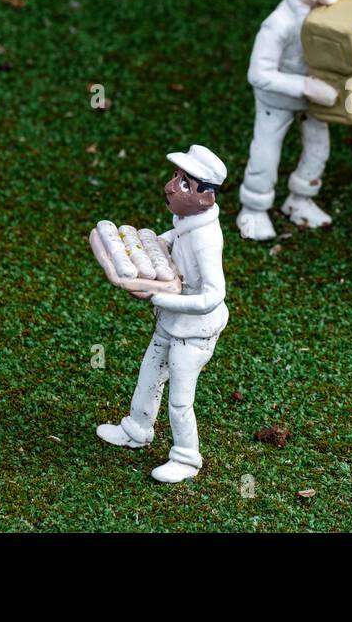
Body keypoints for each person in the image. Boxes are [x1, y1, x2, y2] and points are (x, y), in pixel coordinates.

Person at [96, 145, 229, 483]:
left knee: (181, 398)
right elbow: (177, 238)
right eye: (176, 177)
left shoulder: (206, 239)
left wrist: (161, 298)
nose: (171, 187)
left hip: (195, 331)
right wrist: (157, 243)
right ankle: (137, 429)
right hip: (171, 322)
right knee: (149, 374)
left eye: (185, 184)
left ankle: (186, 457)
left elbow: (214, 295)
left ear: (206, 197)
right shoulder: (187, 219)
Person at [236, 0, 345, 241]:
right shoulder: (278, 24)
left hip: (314, 98)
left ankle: (300, 199)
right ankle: (254, 210)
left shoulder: (325, 14)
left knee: (318, 147)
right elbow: (258, 73)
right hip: (278, 99)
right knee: (266, 151)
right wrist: (306, 86)